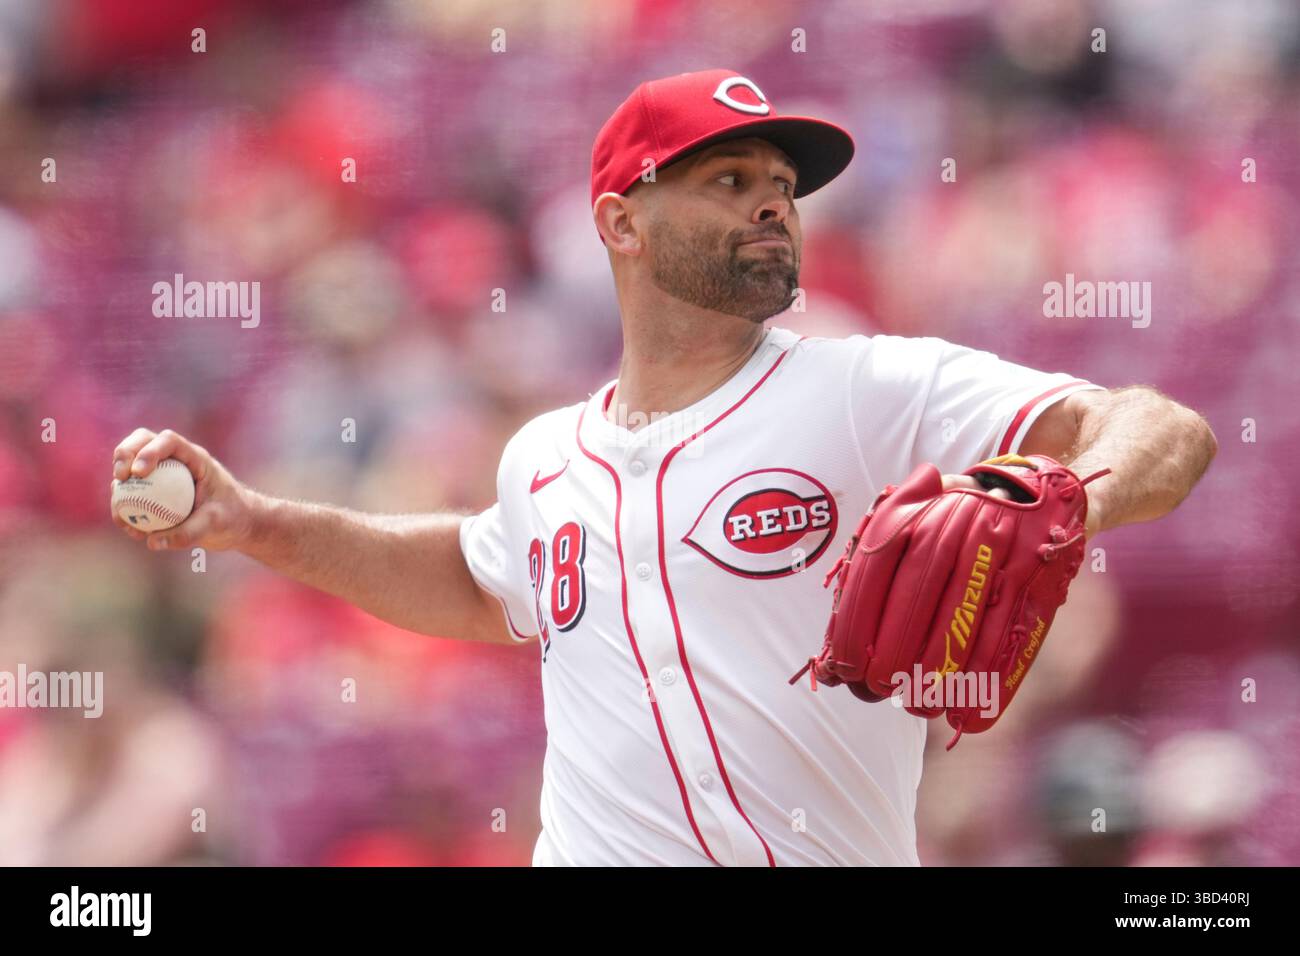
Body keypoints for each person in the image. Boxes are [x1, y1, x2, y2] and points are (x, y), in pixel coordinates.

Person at [112, 69, 1217, 866]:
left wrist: (1072, 495)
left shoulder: (866, 386)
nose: (772, 201)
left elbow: (1162, 428)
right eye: (726, 179)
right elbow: (471, 579)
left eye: (780, 181)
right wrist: (254, 522)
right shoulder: (542, 457)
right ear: (620, 222)